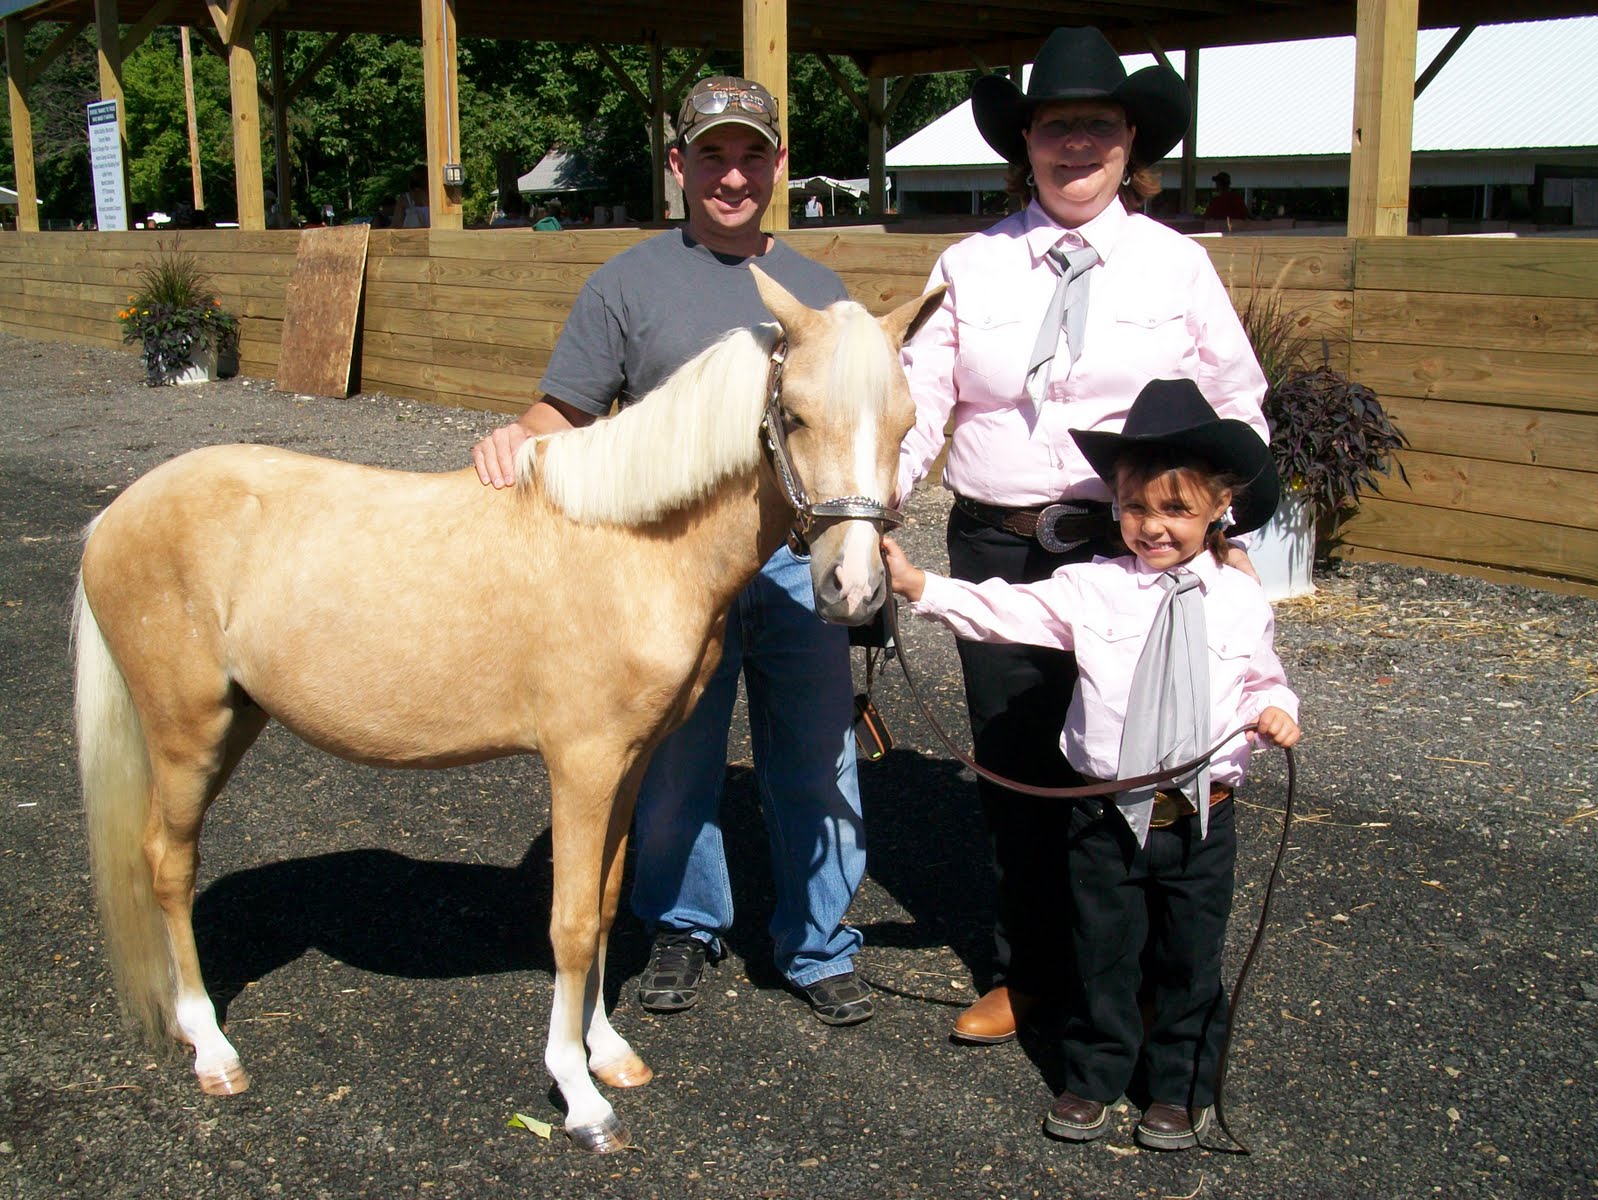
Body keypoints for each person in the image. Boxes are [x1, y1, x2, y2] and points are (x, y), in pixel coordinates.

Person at [470, 76, 875, 1025]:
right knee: (674, 757)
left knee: (816, 752)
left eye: (750, 156)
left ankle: (818, 943)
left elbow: (851, 433)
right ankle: (687, 925)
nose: (731, 176)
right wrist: (513, 438)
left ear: (778, 163)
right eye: (711, 156)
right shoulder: (627, 284)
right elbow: (564, 410)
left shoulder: (824, 296)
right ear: (678, 165)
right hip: (657, 569)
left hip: (793, 557)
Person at [895, 26, 1270, 1047]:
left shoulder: (1176, 265)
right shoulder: (966, 265)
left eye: (1096, 127)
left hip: (1136, 551)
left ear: (1128, 142)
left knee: (1142, 771)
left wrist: (1230, 527)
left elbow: (1238, 400)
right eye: (1056, 127)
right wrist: (871, 511)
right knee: (1017, 768)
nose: (1076, 147)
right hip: (1003, 548)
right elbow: (921, 403)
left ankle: (1142, 983)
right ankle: (1031, 974)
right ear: (1025, 142)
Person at [885, 378, 1301, 1148]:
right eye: (1137, 507)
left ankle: (1177, 1088)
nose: (1153, 526)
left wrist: (1280, 713)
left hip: (1201, 817)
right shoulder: (1092, 588)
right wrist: (920, 587)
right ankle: (1095, 1077)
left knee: (1189, 958)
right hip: (1103, 813)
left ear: (1220, 510)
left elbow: (1263, 677)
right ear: (1116, 505)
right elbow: (1005, 607)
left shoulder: (1243, 601)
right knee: (1103, 949)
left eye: (1176, 510)